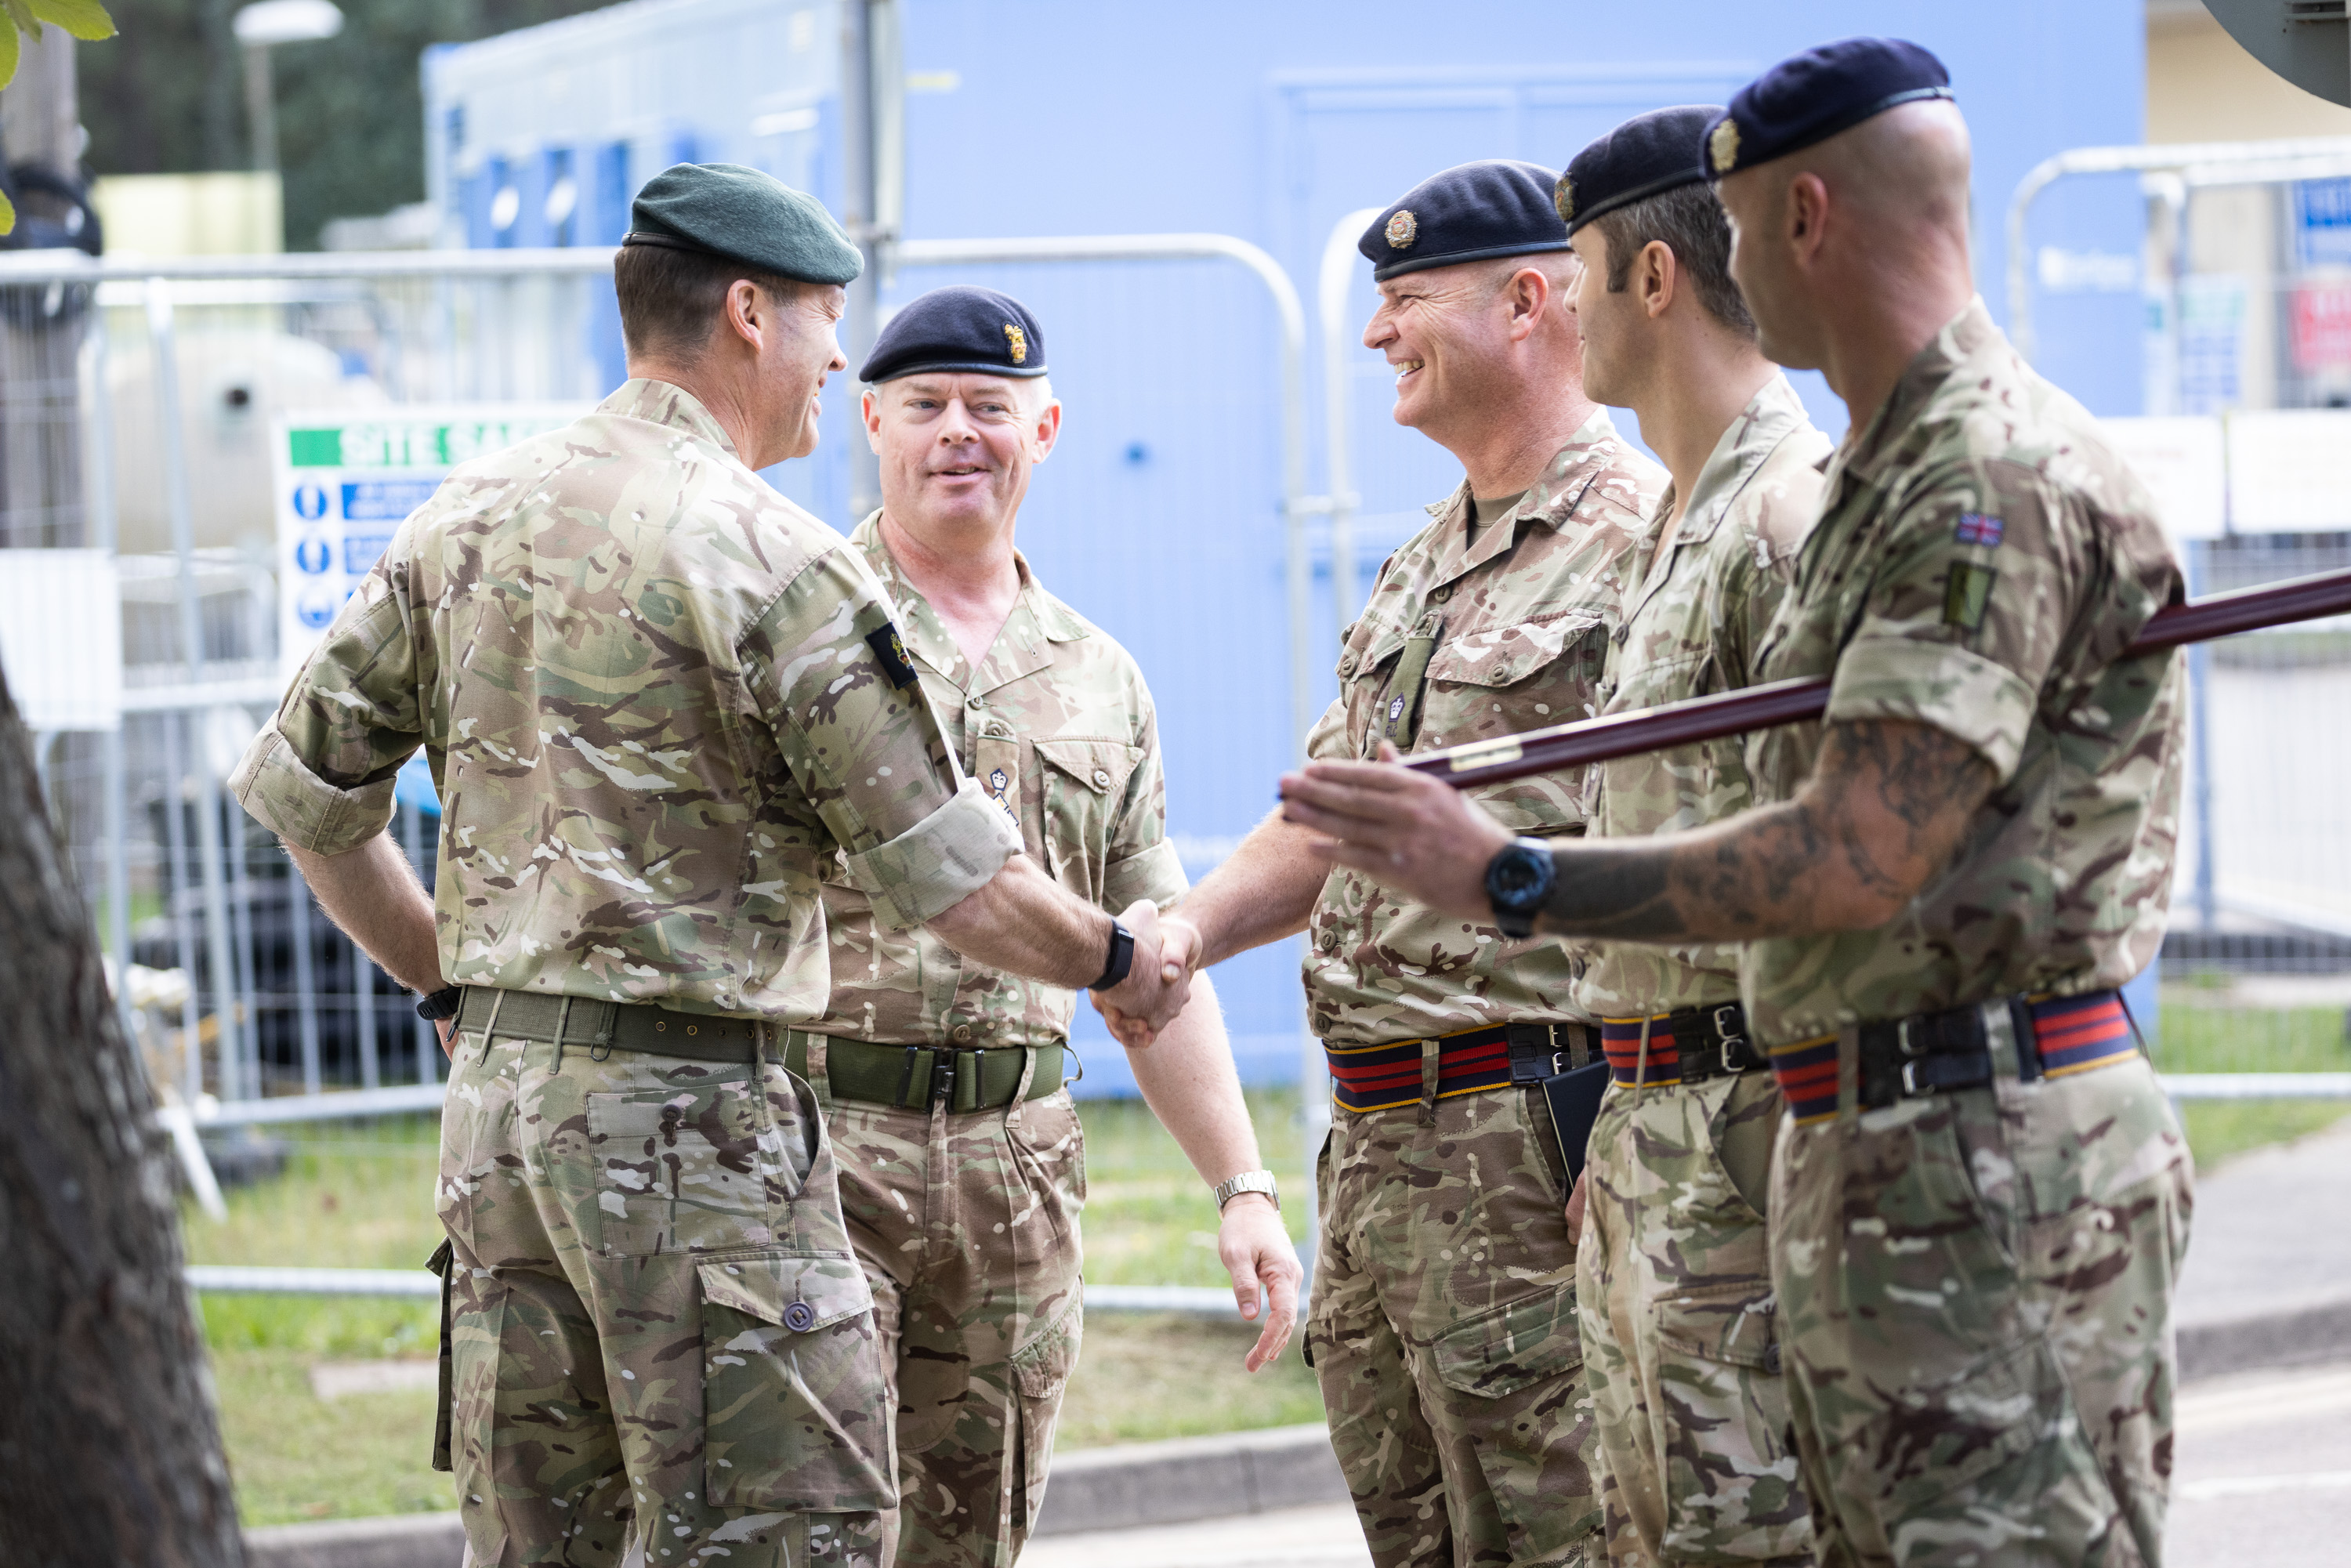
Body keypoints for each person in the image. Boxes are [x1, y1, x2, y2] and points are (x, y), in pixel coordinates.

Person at [1273, 40, 2191, 1568]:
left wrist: (1514, 878)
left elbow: (1860, 848)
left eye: (1741, 222)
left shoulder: (1980, 471)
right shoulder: (1882, 482)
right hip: (1860, 1133)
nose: (1726, 260)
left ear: (1803, 219)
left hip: (1980, 1144)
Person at [229, 164, 1191, 1568]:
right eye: (825, 325)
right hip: (706, 1147)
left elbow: (308, 796)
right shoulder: (772, 558)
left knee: (540, 1542)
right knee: (789, 1539)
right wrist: (1117, 955)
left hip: (499, 1140)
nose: (836, 367)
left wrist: (458, 990)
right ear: (749, 313)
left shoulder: (466, 514)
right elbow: (953, 877)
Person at [1107, 159, 1664, 1568]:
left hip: (1533, 1141)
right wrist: (1184, 932)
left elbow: (1680, 838)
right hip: (1383, 1155)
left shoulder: (1637, 541)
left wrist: (1643, 1118)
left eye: (1404, 301)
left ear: (1529, 300)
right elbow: (1333, 813)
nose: (1373, 338)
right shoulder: (1430, 557)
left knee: (1565, 1539)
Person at [796, 284, 1301, 1567]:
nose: (958, 432)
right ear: (872, 423)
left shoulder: (1099, 675)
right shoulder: (799, 629)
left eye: (990, 406)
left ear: (1049, 427)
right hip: (816, 1154)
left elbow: (1154, 964)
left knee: (975, 1539)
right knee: (805, 1531)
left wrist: (1241, 1186)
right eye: (925, 406)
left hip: (1015, 1171)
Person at [1553, 106, 1829, 1567]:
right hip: (1661, 1123)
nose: (1568, 308)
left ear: (1651, 279)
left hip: (1754, 1133)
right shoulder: (1678, 522)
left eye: (1579, 267)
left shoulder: (1782, 514)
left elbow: (1844, 861)